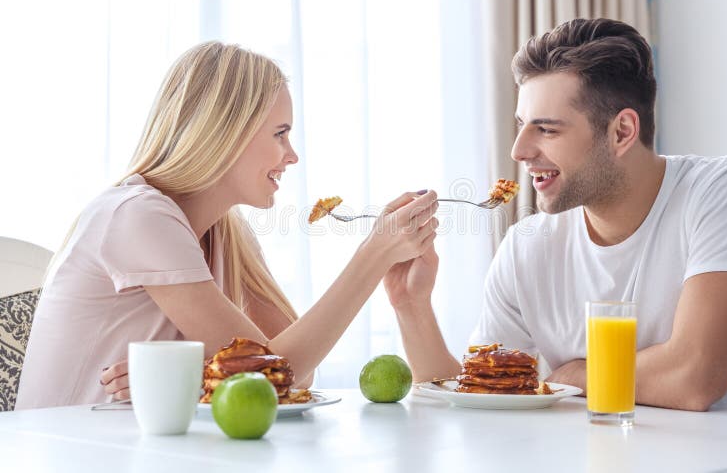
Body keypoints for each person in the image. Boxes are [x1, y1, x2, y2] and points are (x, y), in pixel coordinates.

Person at [387, 18, 727, 416]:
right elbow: (481, 399)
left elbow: (694, 378)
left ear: (622, 132)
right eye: (523, 126)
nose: (519, 151)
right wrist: (411, 305)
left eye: (546, 130)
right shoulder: (528, 245)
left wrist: (573, 376)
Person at [16, 42, 439, 409]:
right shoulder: (137, 216)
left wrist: (196, 375)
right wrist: (372, 257)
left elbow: (295, 372)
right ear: (226, 132)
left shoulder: (228, 232)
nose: (291, 156)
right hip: (68, 448)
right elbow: (276, 375)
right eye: (280, 134)